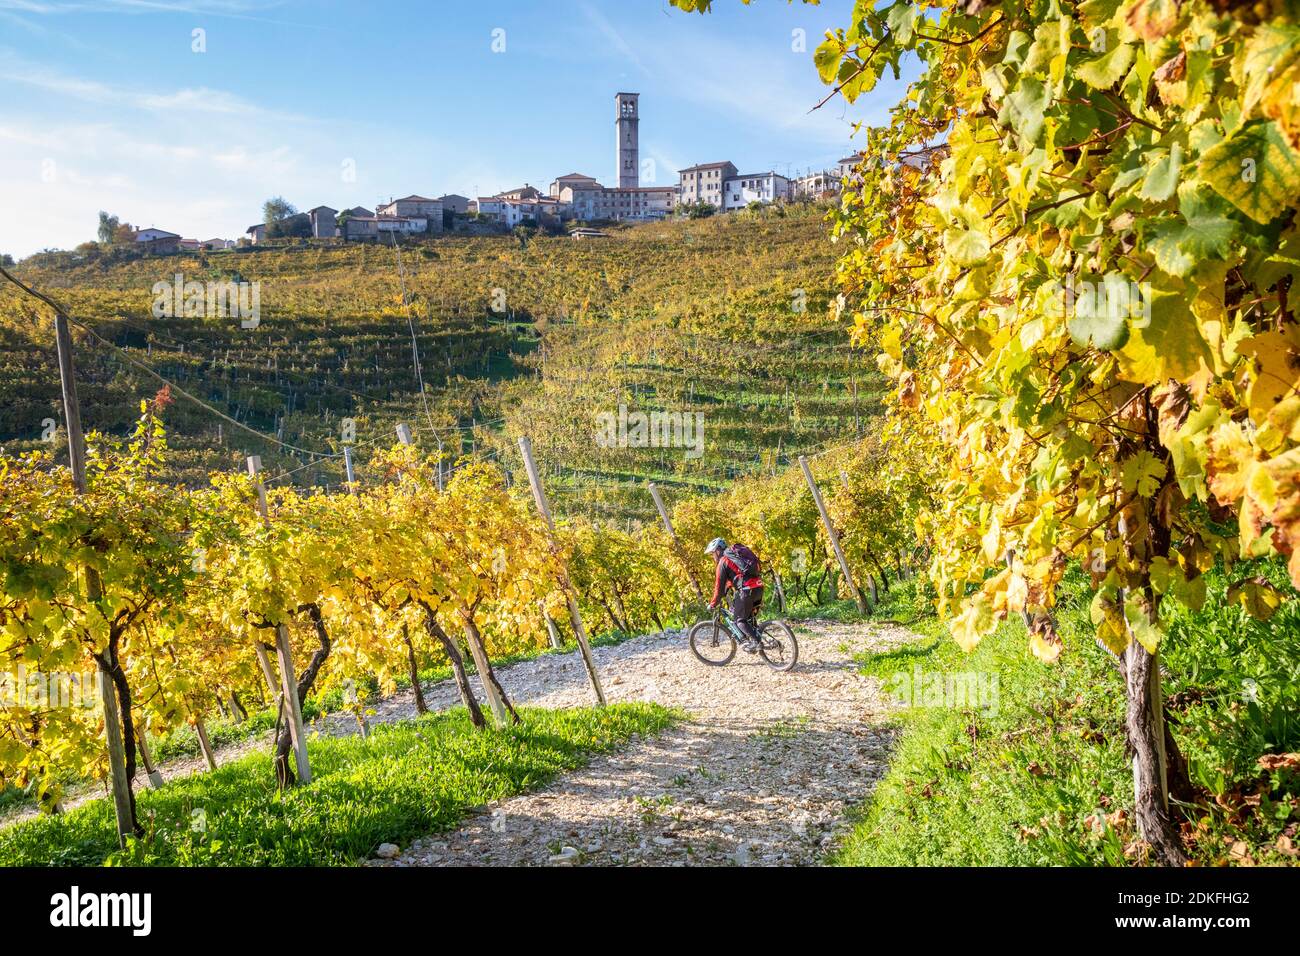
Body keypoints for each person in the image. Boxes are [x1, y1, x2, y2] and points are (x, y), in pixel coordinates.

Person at [704, 537, 764, 652]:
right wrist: (726, 590)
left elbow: (719, 587)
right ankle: (755, 639)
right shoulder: (734, 558)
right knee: (748, 619)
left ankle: (757, 642)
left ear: (717, 551)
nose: (713, 557)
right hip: (759, 588)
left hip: (747, 590)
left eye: (712, 554)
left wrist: (713, 603)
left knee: (740, 621)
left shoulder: (723, 562)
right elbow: (735, 578)